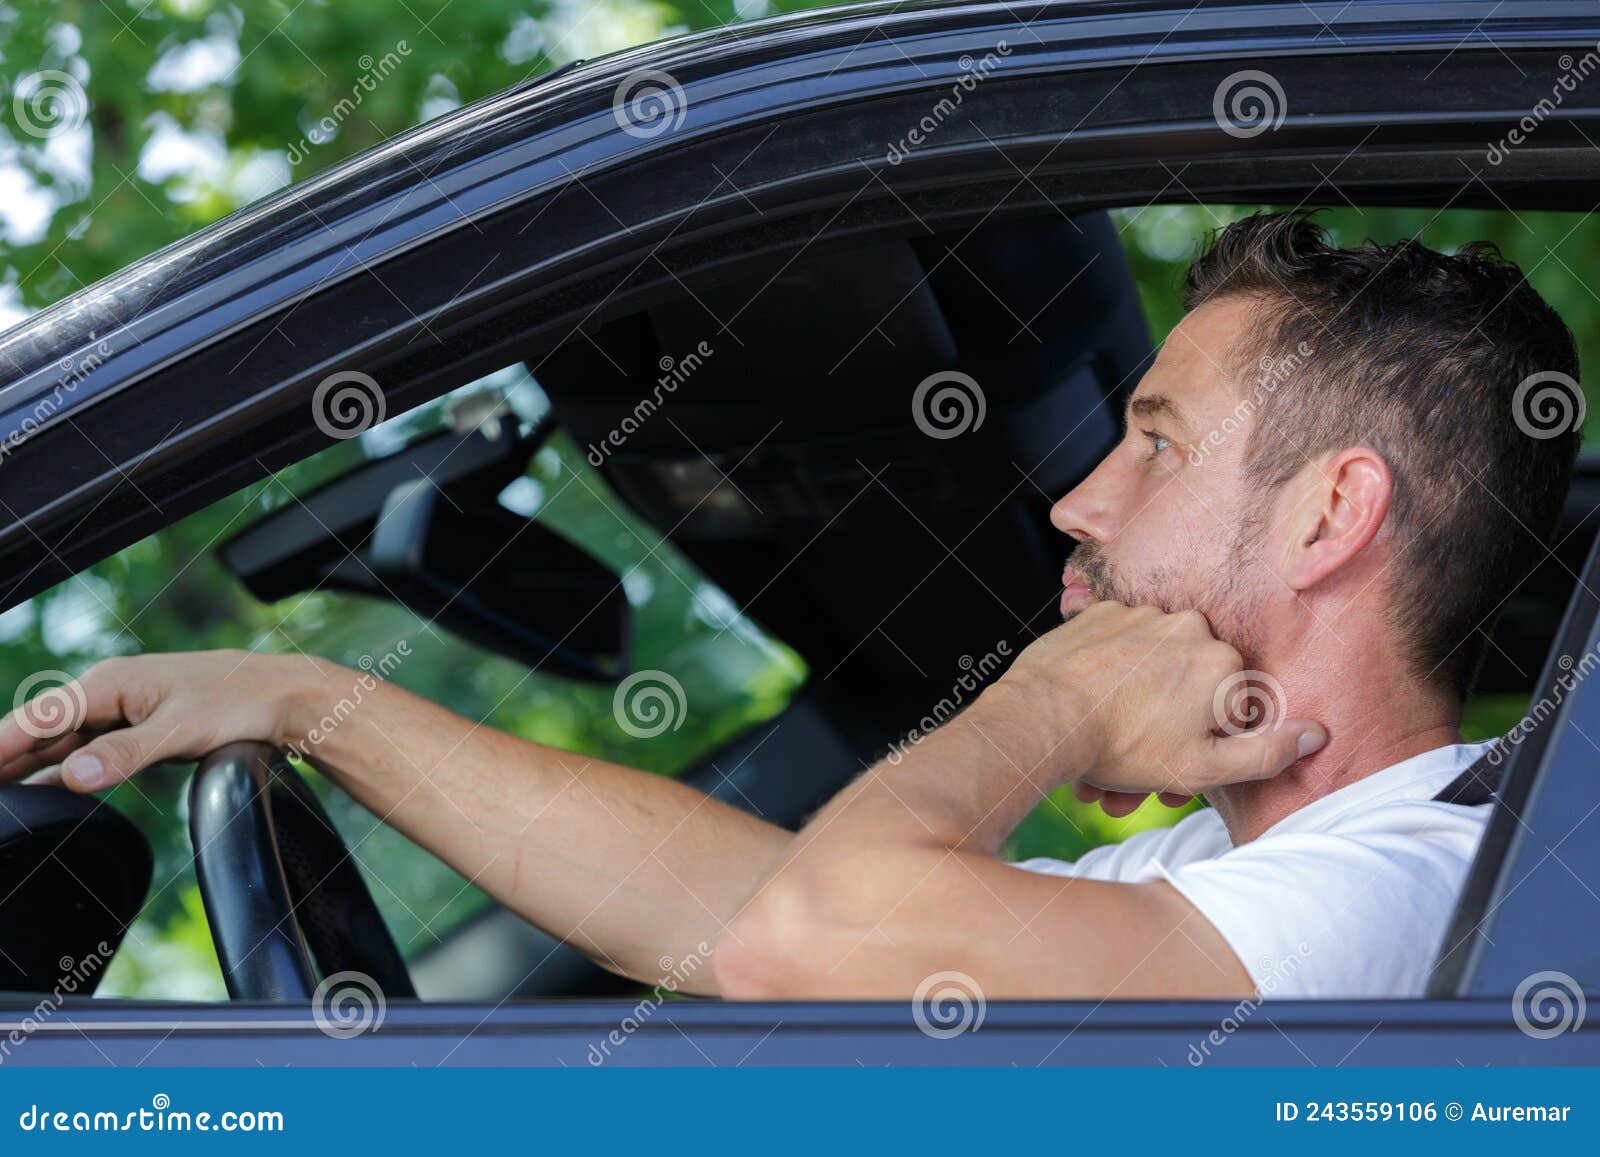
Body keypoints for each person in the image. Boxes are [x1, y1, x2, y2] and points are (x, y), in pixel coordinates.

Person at [0, 212, 1578, 1000]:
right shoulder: (1228, 871)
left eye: (1154, 445)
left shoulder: (1420, 892)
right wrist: (300, 701)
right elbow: (730, 901)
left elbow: (797, 936)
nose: (1081, 500)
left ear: (1331, 516)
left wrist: (1061, 699)